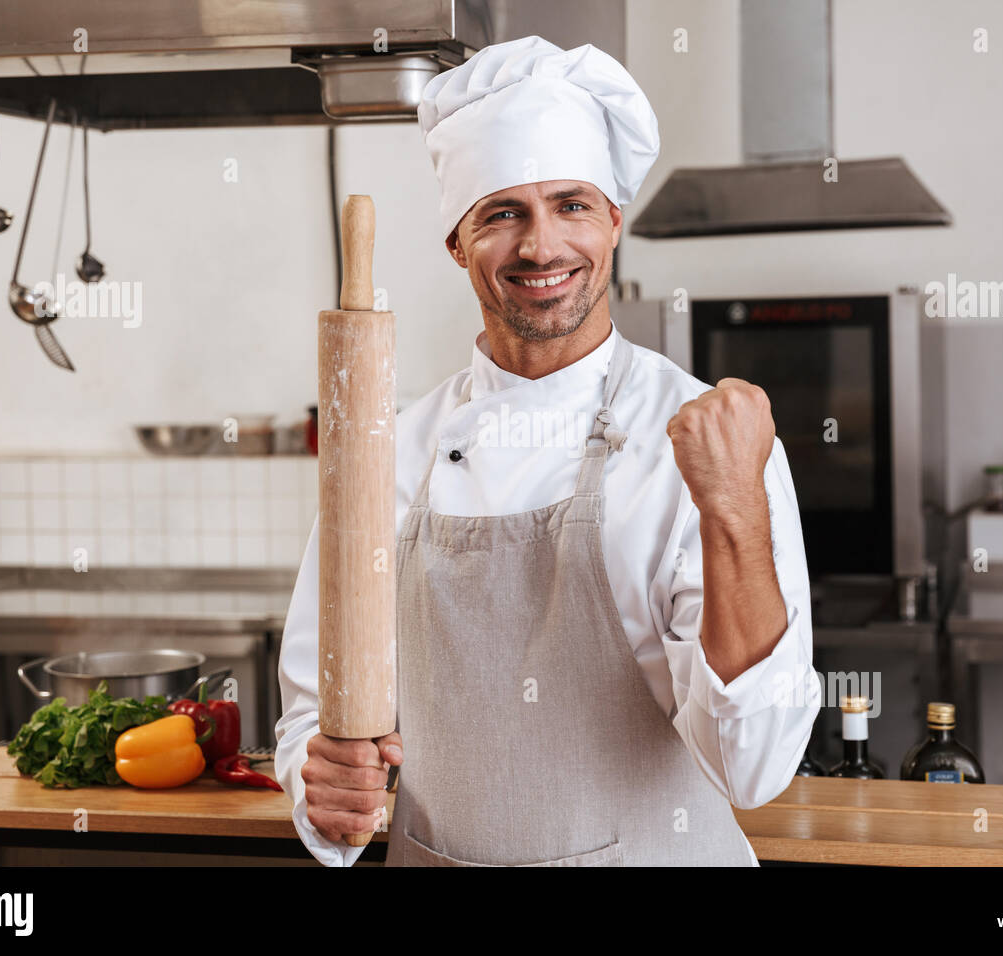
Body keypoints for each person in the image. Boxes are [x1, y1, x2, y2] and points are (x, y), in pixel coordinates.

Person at [276, 35, 818, 867]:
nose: (540, 247)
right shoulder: (389, 452)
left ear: (613, 223)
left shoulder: (703, 443)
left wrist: (734, 506)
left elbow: (755, 765)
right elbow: (316, 710)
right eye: (502, 213)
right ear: (457, 244)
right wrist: (320, 782)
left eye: (571, 204)